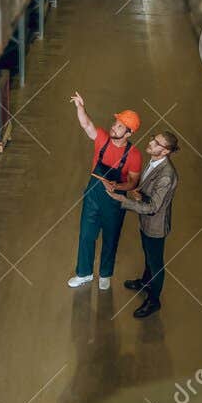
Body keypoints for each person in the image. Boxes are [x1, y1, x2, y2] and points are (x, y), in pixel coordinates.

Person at [68, 92, 142, 291]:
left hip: (115, 201)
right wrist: (80, 107)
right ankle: (84, 273)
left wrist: (117, 186)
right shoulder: (102, 138)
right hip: (93, 195)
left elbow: (133, 182)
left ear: (129, 133)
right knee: (86, 235)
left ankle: (105, 274)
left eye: (119, 126)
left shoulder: (134, 155)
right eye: (115, 123)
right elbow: (86, 124)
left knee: (111, 238)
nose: (114, 127)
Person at [108, 132, 179, 318]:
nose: (151, 142)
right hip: (146, 222)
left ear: (165, 151)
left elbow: (153, 207)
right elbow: (150, 191)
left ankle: (154, 301)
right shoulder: (154, 161)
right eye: (153, 138)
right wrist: (140, 193)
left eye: (157, 143)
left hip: (155, 226)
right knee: (148, 255)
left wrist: (123, 201)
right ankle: (146, 282)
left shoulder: (166, 175)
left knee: (155, 264)